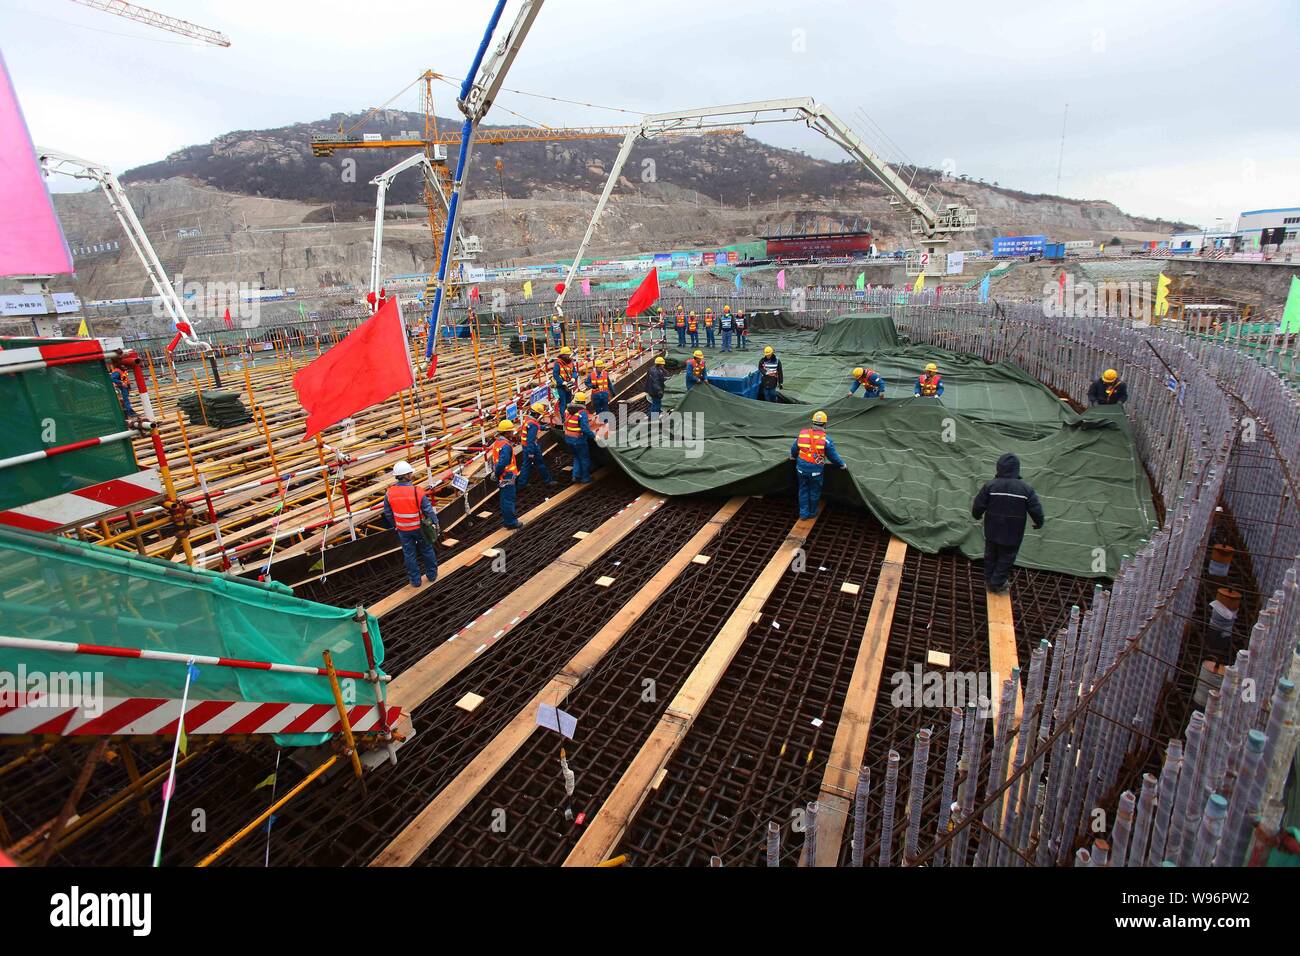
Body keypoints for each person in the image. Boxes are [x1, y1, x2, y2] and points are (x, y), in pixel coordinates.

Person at [971, 452, 1044, 594]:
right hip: (1013, 533)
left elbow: (979, 504)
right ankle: (996, 583)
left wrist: (977, 515)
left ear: (999, 468)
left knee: (990, 554)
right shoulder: (1026, 489)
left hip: (992, 530)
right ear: (1017, 469)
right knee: (1006, 558)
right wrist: (1038, 522)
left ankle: (989, 578)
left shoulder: (990, 486)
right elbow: (1036, 509)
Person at [383, 460, 439, 588]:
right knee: (427, 550)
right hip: (420, 528)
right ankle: (431, 575)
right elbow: (428, 510)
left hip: (403, 530)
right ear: (407, 475)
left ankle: (415, 581)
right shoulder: (417, 491)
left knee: (409, 554)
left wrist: (396, 524)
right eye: (410, 473)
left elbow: (388, 513)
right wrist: (436, 523)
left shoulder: (389, 493)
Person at [789, 410, 847, 520]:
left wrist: (792, 456)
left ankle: (803, 514)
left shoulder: (802, 434)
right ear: (825, 424)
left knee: (803, 489)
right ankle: (812, 513)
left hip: (801, 469)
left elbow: (794, 449)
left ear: (813, 422)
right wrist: (842, 464)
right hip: (816, 471)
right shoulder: (826, 440)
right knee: (814, 491)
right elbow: (833, 457)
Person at [490, 420, 523, 529]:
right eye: (510, 431)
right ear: (507, 432)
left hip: (502, 476)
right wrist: (497, 473)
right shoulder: (506, 446)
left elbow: (496, 460)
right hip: (507, 476)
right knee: (508, 499)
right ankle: (511, 522)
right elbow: (503, 463)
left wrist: (496, 474)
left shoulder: (497, 443)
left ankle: (508, 520)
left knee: (504, 498)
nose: (512, 433)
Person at [517, 401, 555, 489]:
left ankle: (522, 483)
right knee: (540, 463)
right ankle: (548, 480)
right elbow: (530, 439)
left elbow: (535, 426)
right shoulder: (533, 424)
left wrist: (544, 427)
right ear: (537, 414)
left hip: (525, 446)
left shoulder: (528, 420)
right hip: (531, 447)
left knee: (526, 465)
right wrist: (531, 452)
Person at [564, 391, 598, 483]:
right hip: (578, 440)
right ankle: (585, 478)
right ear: (583, 402)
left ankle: (576, 475)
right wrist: (594, 436)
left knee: (576, 457)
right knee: (584, 458)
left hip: (568, 438)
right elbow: (585, 429)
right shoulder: (582, 413)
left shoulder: (567, 410)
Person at [553, 345, 579, 418]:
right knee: (563, 402)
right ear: (563, 355)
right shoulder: (558, 364)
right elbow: (555, 375)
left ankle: (569, 416)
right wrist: (562, 382)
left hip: (569, 384)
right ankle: (564, 417)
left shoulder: (570, 362)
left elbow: (574, 371)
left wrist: (573, 378)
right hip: (561, 386)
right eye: (568, 355)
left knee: (569, 402)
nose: (569, 356)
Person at [646, 355, 667, 419]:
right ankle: (654, 418)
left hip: (651, 389)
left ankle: (649, 415)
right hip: (655, 391)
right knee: (657, 404)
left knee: (654, 403)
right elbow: (655, 382)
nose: (663, 365)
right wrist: (659, 390)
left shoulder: (652, 369)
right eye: (663, 364)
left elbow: (655, 379)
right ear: (660, 364)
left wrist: (663, 378)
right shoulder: (656, 372)